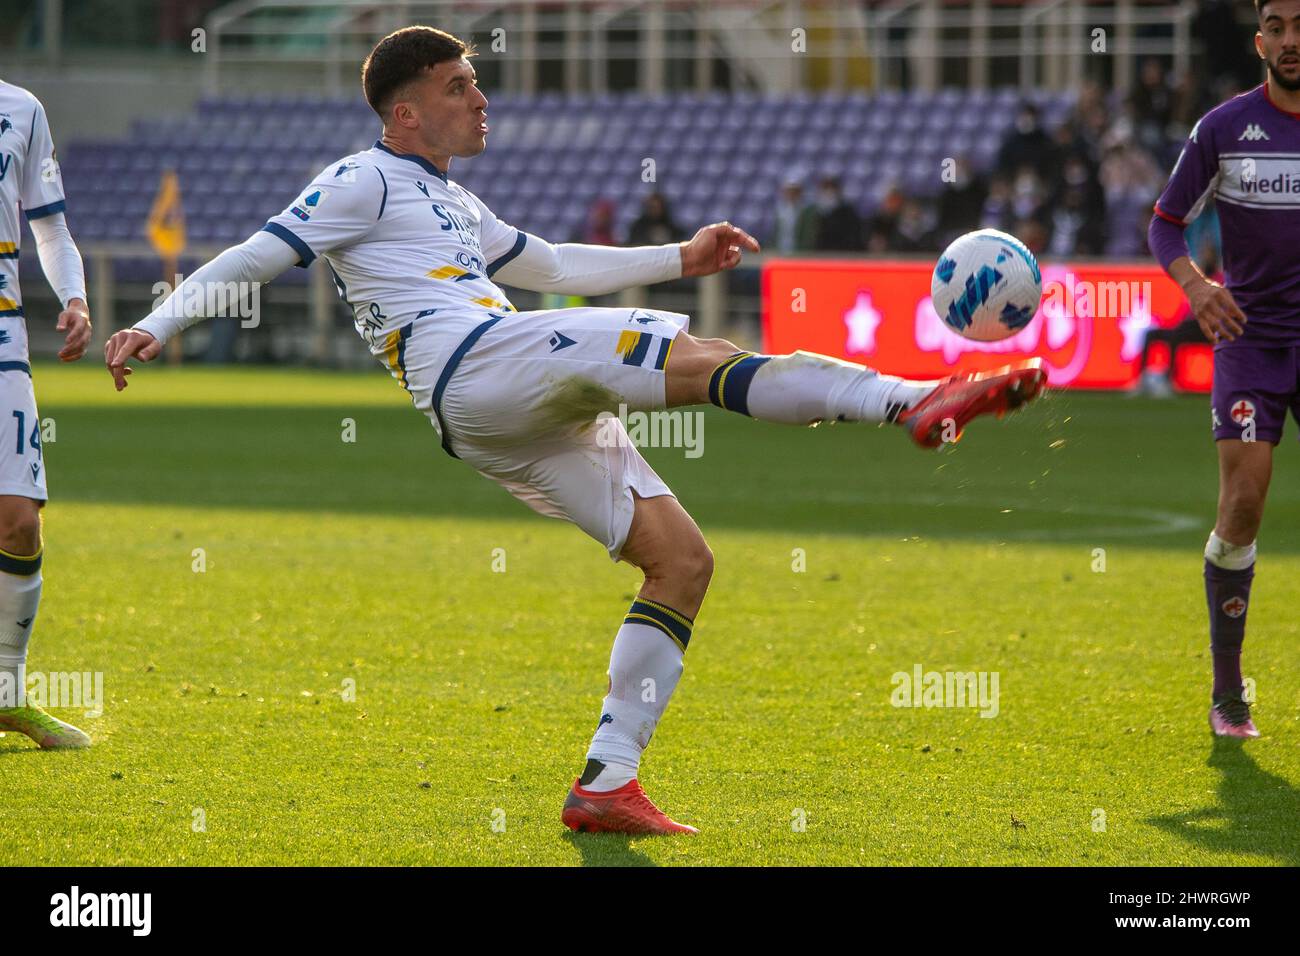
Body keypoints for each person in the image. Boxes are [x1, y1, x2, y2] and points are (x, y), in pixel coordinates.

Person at [104, 27, 1047, 835]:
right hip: (480, 361)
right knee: (708, 352)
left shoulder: (453, 198)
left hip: (489, 412)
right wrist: (158, 322)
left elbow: (551, 261)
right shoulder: (363, 177)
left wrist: (679, 255)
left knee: (682, 561)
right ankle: (909, 400)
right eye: (456, 87)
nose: (480, 98)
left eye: (475, 82)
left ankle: (607, 781)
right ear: (403, 114)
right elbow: (259, 251)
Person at [1147, 0, 1300, 739]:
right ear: (1259, 39)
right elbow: (1164, 221)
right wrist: (1197, 286)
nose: (1291, 40)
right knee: (1241, 507)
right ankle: (1227, 689)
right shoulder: (1223, 128)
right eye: (1278, 27)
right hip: (1253, 338)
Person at [0, 79, 93, 749]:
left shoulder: (22, 108)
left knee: (19, 518)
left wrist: (76, 297)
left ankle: (6, 692)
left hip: (3, 335)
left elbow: (51, 226)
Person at [770, 176, 817, 253]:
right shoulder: (780, 209)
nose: (791, 194)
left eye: (794, 191)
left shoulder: (806, 211)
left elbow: (808, 235)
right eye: (788, 191)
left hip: (799, 252)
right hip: (781, 250)